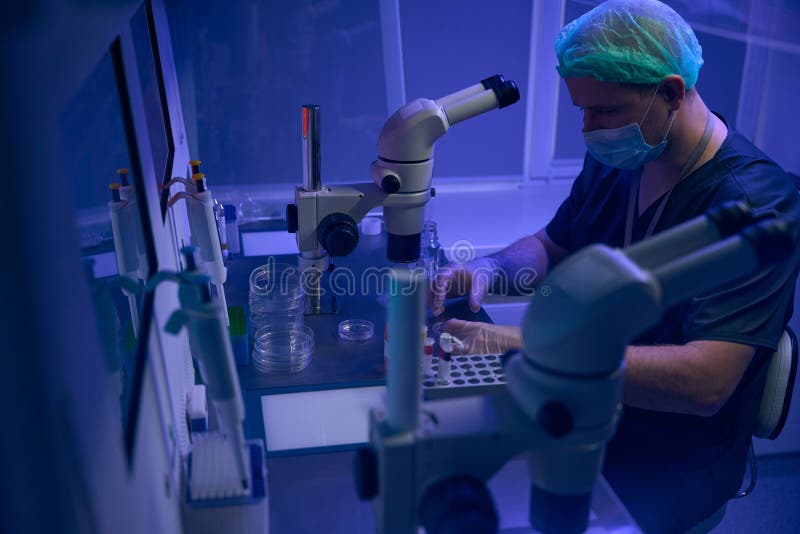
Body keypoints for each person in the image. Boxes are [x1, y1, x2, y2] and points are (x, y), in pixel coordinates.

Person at [431, 0, 800, 532]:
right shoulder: (623, 155)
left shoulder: (755, 203)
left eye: (603, 111)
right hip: (584, 416)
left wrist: (518, 346)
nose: (588, 128)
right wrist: (489, 268)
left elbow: (705, 383)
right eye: (581, 110)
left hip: (669, 461)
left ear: (671, 92)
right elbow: (551, 246)